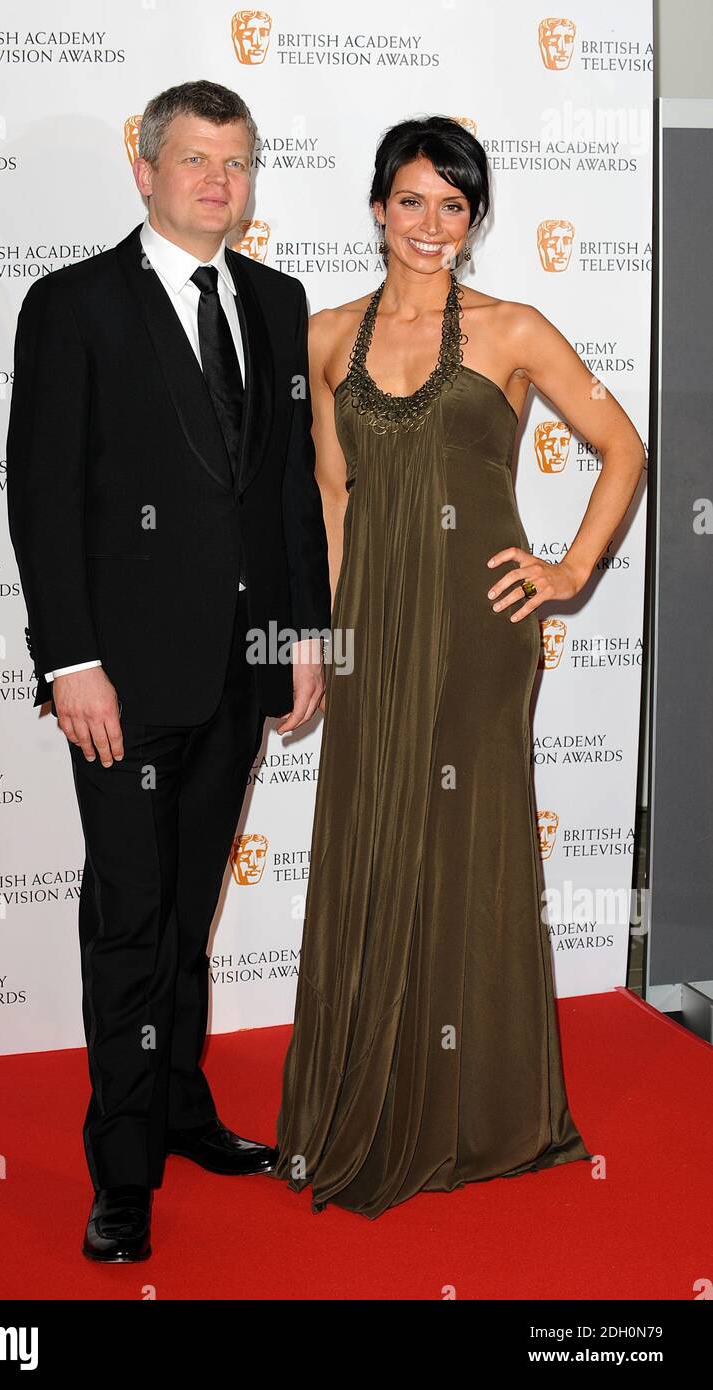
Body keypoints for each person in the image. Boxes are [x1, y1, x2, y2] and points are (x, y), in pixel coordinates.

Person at [271, 116, 646, 1220]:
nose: (432, 224)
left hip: (481, 625)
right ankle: (373, 1089)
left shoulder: (513, 327)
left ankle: (477, 1105)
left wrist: (570, 568)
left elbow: (621, 445)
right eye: (412, 200)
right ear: (377, 205)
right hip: (374, 627)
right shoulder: (326, 334)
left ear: (473, 219)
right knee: (372, 832)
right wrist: (329, 636)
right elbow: (333, 500)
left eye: (454, 204)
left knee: (466, 839)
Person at [6, 80, 330, 1261]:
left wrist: (306, 641)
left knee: (189, 913)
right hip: (122, 685)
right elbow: (41, 500)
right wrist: (69, 662)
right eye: (194, 160)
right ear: (143, 170)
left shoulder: (279, 301)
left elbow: (289, 490)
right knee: (132, 921)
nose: (217, 182)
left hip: (241, 671)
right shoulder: (74, 305)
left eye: (236, 163)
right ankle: (124, 1169)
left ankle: (184, 1108)